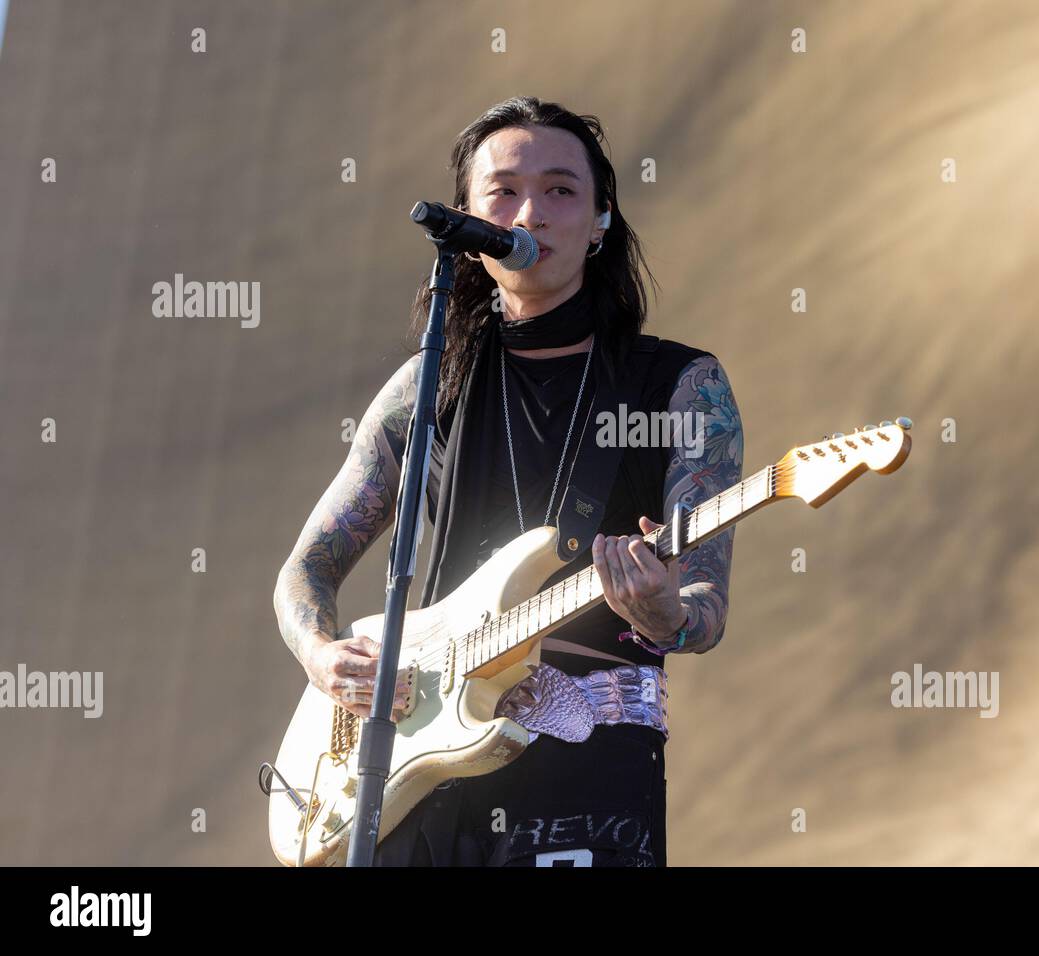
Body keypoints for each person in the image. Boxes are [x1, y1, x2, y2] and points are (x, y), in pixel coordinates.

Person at [272, 96, 743, 866]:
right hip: (415, 771)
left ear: (601, 222)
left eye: (562, 191)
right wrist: (324, 657)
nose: (532, 213)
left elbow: (706, 609)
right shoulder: (427, 385)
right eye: (504, 192)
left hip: (585, 774)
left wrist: (664, 612)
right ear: (466, 223)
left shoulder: (681, 387)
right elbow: (306, 568)